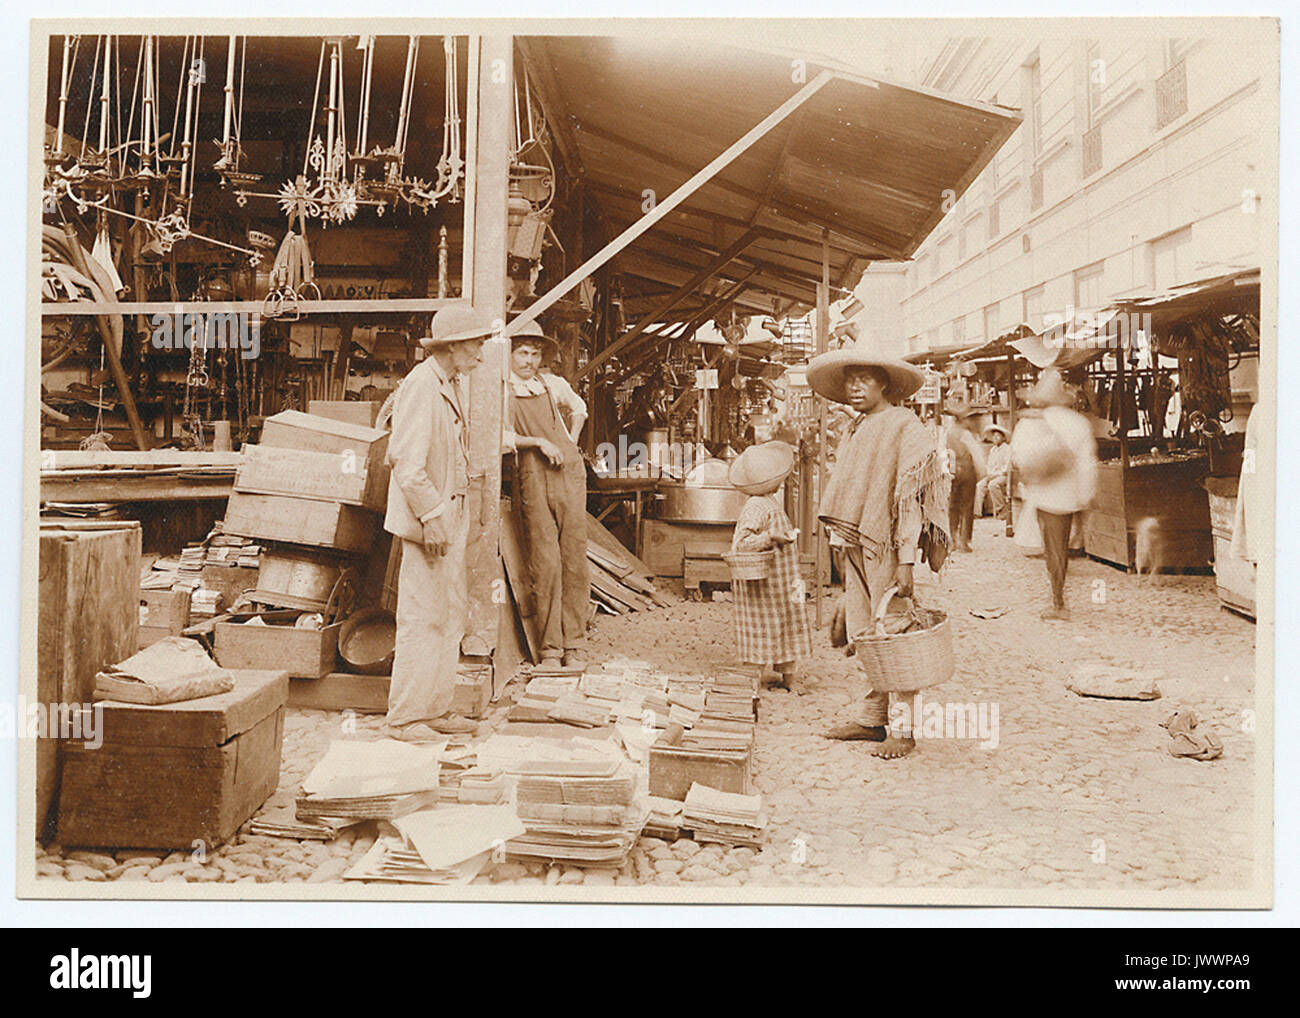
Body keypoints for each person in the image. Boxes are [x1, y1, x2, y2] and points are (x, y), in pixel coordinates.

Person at [810, 346, 950, 759]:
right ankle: (873, 719)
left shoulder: (905, 425)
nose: (854, 387)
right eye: (849, 380)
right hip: (857, 544)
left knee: (895, 635)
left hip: (888, 545)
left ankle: (903, 731)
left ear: (884, 384)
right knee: (870, 637)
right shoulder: (857, 427)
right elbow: (851, 491)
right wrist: (840, 545)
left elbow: (910, 498)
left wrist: (906, 560)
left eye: (864, 379)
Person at [383, 304, 493, 739]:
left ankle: (435, 708)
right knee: (422, 617)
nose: (481, 353)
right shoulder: (421, 386)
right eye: (476, 343)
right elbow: (405, 462)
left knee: (448, 615)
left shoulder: (447, 383)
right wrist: (430, 516)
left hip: (450, 515)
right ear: (453, 346)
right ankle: (406, 718)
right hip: (431, 519)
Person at [504, 320, 590, 668]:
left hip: (568, 472)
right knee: (545, 561)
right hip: (533, 473)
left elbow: (580, 409)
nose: (529, 360)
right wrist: (538, 442)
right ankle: (550, 648)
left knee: (574, 559)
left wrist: (569, 440)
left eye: (535, 353)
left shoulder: (552, 384)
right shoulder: (502, 390)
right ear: (510, 355)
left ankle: (574, 645)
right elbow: (501, 437)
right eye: (522, 353)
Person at [1009, 369, 1099, 621]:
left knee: (1053, 550)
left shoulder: (1032, 422)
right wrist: (1086, 496)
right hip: (1071, 496)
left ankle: (1058, 603)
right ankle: (1059, 598)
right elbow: (1087, 463)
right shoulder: (1079, 423)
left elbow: (1018, 458)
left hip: (1046, 495)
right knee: (1063, 548)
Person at [726, 441, 810, 691]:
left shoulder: (769, 503)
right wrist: (771, 538)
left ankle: (789, 678)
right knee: (760, 627)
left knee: (790, 622)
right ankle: (752, 677)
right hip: (763, 585)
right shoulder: (756, 507)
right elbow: (742, 544)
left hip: (783, 582)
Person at [943, 401, 986, 552]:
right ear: (962, 420)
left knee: (953, 506)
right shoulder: (966, 434)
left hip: (952, 471)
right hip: (967, 471)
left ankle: (952, 539)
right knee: (967, 507)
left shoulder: (947, 433)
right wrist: (982, 473)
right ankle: (963, 542)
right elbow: (977, 455)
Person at [975, 424, 1011, 521]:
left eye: (998, 436)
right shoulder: (993, 450)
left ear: (1003, 438)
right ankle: (977, 513)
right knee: (980, 485)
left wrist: (995, 475)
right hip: (992, 475)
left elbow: (1006, 468)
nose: (995, 438)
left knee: (993, 485)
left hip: (1003, 476)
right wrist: (989, 474)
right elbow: (989, 465)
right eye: (994, 437)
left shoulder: (1007, 449)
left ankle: (1002, 511)